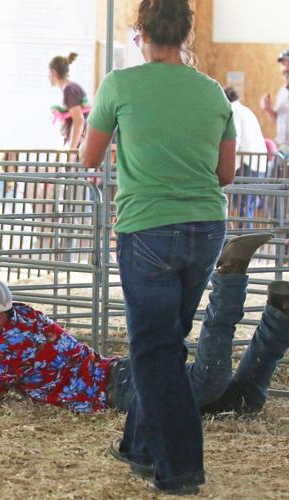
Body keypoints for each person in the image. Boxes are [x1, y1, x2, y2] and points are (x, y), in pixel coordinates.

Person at [80, 0, 237, 494]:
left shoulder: (121, 84)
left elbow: (90, 155)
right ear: (187, 33)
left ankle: (182, 467)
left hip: (148, 227)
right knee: (166, 342)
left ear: (140, 31)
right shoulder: (212, 92)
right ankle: (140, 447)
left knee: (153, 349)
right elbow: (226, 174)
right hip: (207, 226)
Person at [0, 237, 288, 423]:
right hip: (118, 373)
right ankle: (280, 313)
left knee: (209, 383)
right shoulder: (20, 316)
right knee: (244, 401)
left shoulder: (3, 349)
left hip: (118, 392)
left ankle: (230, 275)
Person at [224, 86, 267, 227]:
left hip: (248, 163)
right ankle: (245, 240)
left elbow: (234, 139)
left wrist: (227, 164)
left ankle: (245, 243)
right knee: (247, 205)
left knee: (244, 205)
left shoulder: (233, 111)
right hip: (258, 163)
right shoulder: (245, 110)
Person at [48, 52, 90, 150]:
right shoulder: (72, 88)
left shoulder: (70, 89)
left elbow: (79, 121)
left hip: (81, 146)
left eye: (48, 73)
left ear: (53, 72)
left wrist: (71, 152)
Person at [259, 48, 289, 153]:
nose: (285, 68)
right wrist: (267, 109)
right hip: (282, 146)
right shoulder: (282, 92)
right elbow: (278, 119)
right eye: (283, 65)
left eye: (288, 64)